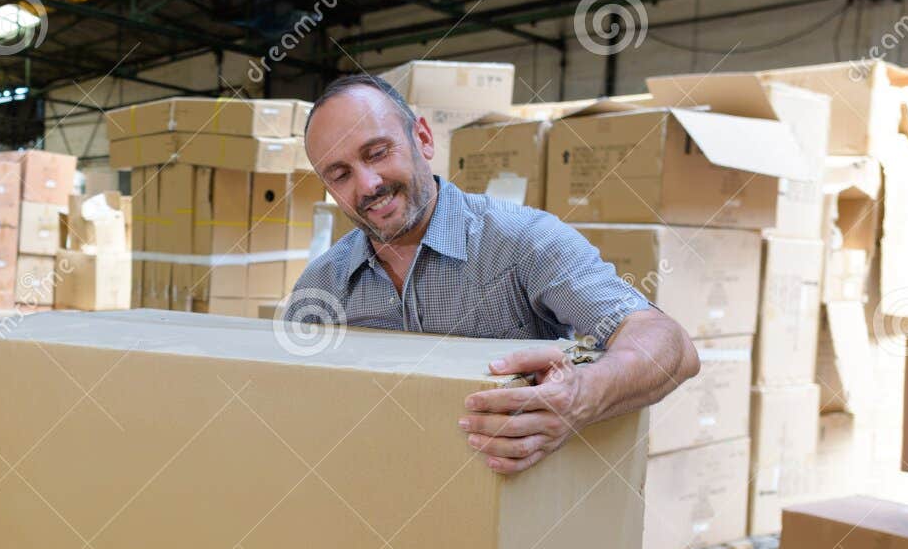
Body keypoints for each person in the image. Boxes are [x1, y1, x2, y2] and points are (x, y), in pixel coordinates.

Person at [295, 73, 699, 474]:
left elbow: (671, 345)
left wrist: (582, 395)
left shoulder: (523, 242)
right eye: (340, 174)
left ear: (423, 138)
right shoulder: (322, 288)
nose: (367, 185)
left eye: (377, 152)